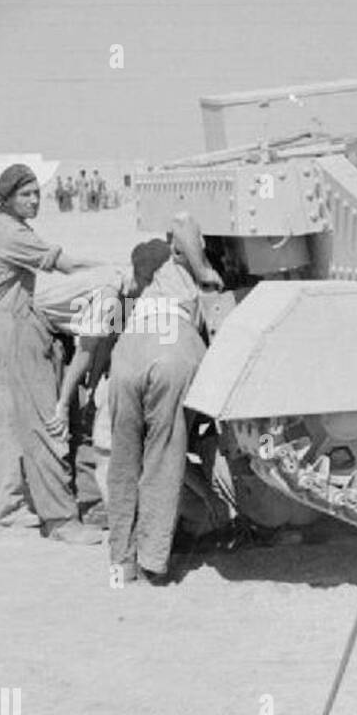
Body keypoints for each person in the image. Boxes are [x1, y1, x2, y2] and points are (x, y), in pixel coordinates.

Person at [0, 164, 105, 543]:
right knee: (5, 421)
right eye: (26, 194)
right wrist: (109, 269)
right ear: (6, 197)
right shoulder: (11, 233)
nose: (35, 200)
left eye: (37, 193)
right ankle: (9, 509)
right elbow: (65, 264)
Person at [106, 220, 216, 585]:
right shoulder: (179, 269)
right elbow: (184, 225)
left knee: (124, 457)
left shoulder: (135, 291)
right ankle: (153, 561)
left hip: (128, 351)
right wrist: (205, 273)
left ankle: (120, 562)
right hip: (171, 343)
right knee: (164, 453)